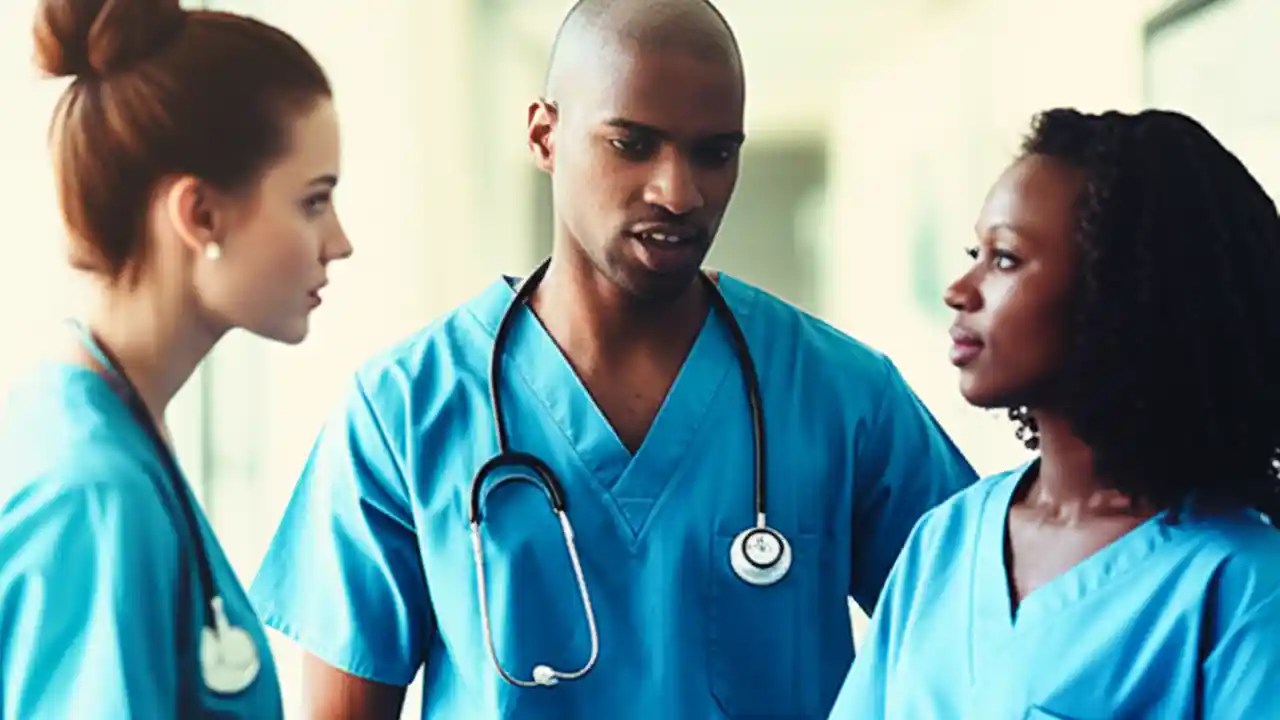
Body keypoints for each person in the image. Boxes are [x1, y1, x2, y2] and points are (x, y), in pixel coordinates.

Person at [248, 0, 974, 717]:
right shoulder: (406, 410)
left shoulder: (843, 399)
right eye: (632, 144)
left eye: (714, 153)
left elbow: (980, 641)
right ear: (545, 136)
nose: (678, 193)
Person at [828, 108, 1280, 719]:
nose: (959, 289)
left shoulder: (1243, 586)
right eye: (975, 252)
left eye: (1005, 259)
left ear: (1118, 291)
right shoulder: (946, 538)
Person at [0, 0, 351, 717]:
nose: (339, 243)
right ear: (200, 216)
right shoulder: (94, 495)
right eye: (314, 202)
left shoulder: (86, 424)